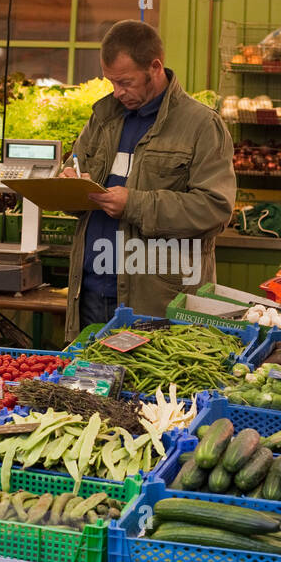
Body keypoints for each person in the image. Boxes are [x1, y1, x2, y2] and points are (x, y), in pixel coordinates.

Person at [58, 20, 236, 342]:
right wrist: (69, 184)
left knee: (147, 389)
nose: (118, 92)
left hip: (156, 304)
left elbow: (215, 208)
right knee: (86, 386)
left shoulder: (201, 125)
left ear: (155, 67)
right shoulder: (103, 118)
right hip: (90, 293)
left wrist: (134, 204)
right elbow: (75, 164)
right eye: (112, 82)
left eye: (126, 82)